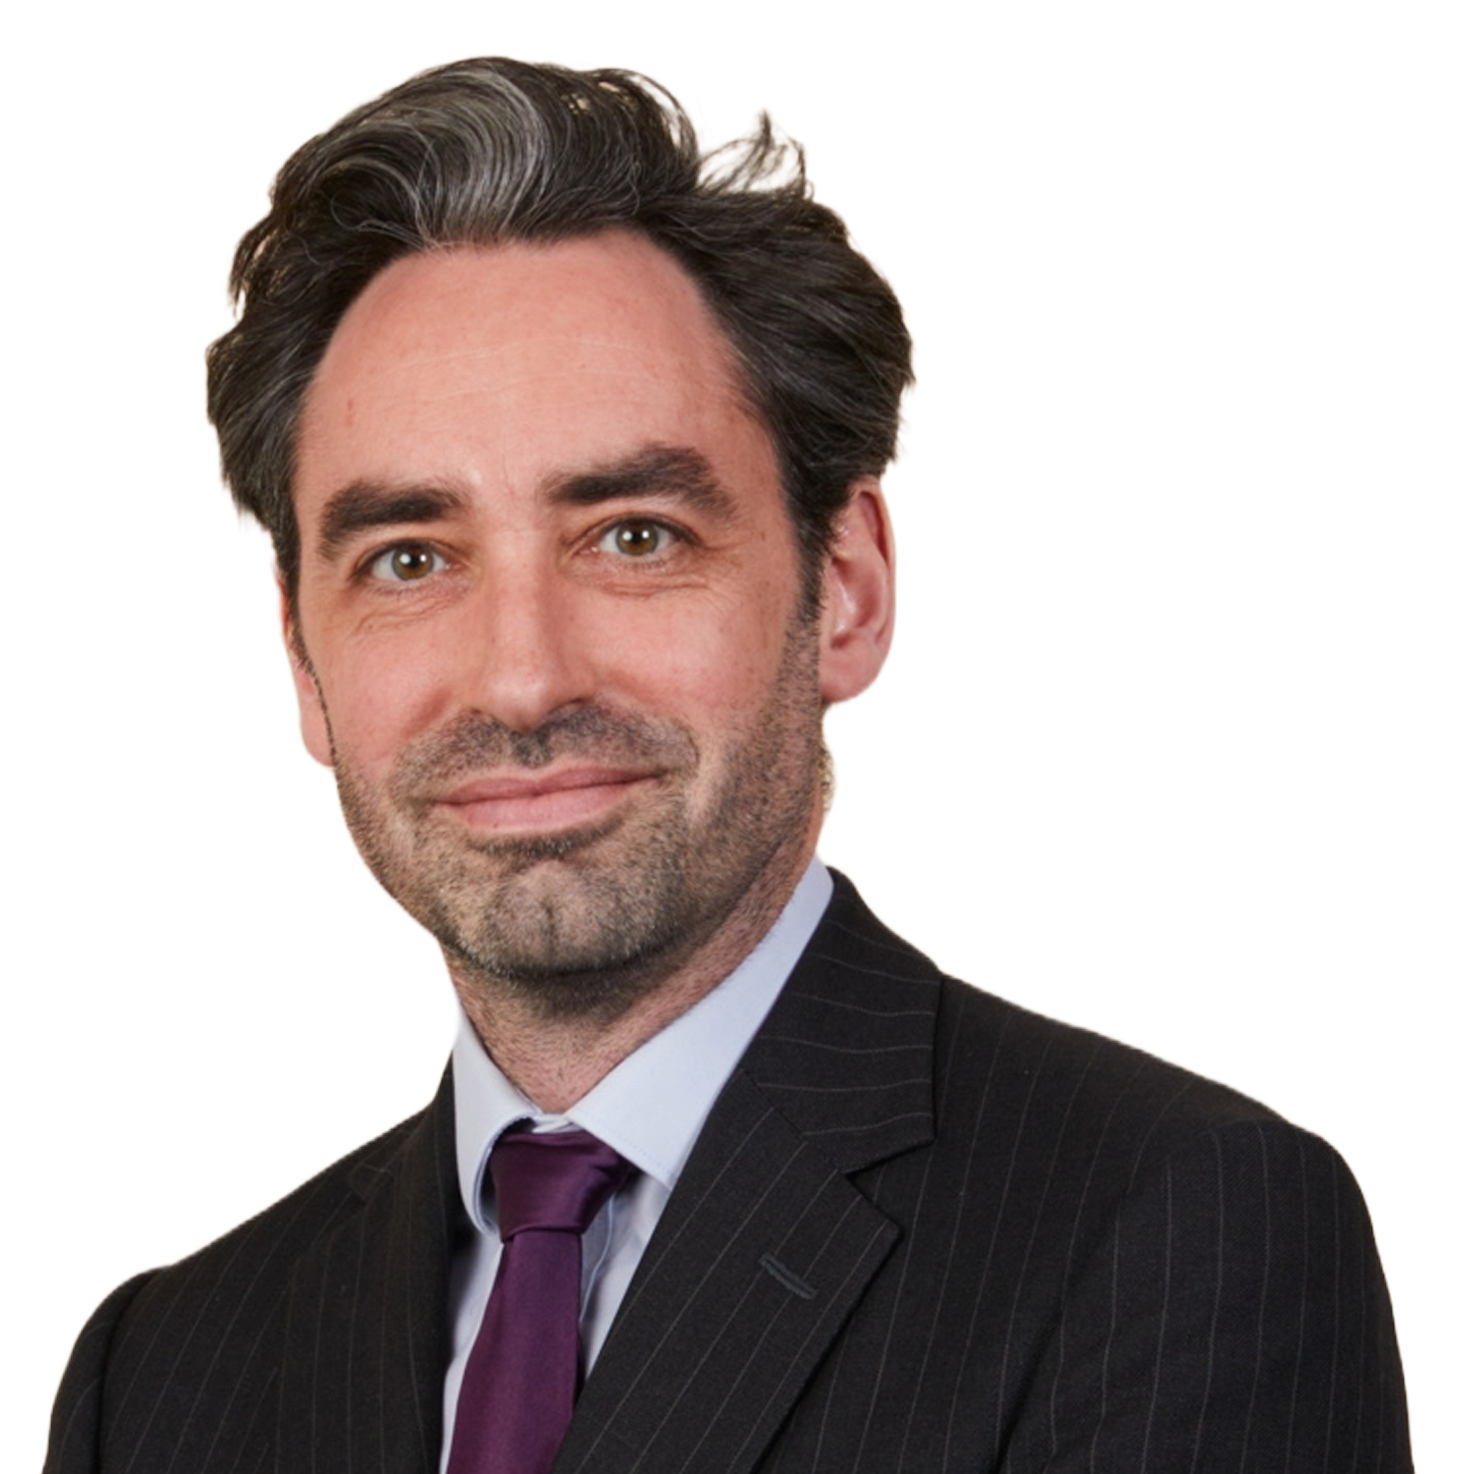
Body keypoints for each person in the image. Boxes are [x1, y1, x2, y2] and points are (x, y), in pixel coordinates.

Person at [44, 56, 1412, 1474]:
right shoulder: (159, 1376)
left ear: (847, 589)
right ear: (300, 659)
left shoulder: (1176, 1228)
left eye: (634, 535)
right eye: (408, 558)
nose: (522, 679)